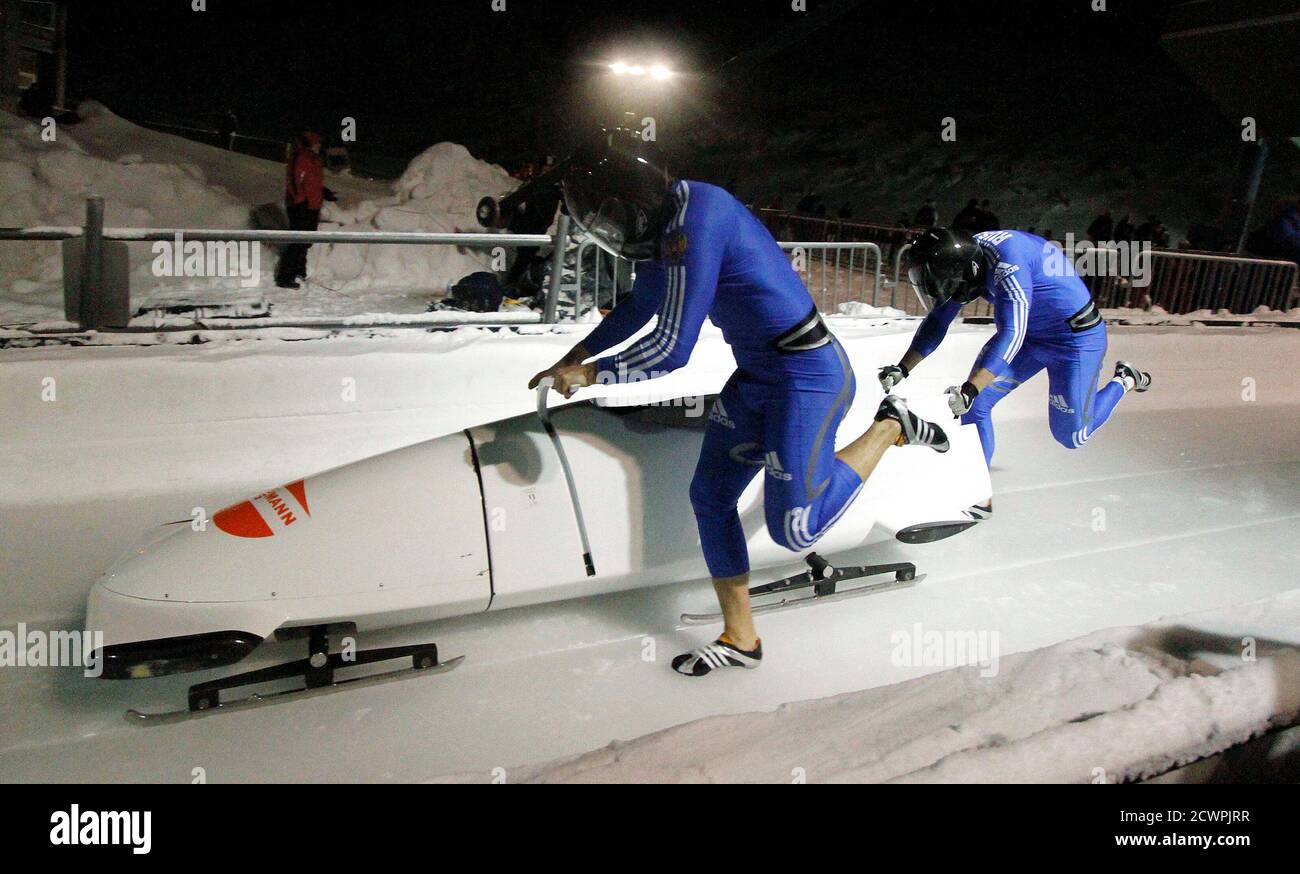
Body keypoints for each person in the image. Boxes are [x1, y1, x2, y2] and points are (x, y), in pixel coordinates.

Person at [528, 131, 951, 677]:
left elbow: (671, 349)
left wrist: (593, 373)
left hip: (808, 376)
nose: (611, 231)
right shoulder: (665, 221)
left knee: (795, 531)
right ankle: (741, 637)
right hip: (757, 373)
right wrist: (576, 355)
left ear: (634, 197)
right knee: (710, 497)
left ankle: (891, 427)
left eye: (610, 216)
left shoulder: (697, 218)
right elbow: (642, 305)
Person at [881, 228, 1152, 519]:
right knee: (976, 407)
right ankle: (979, 495)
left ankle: (1125, 379)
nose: (947, 292)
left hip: (1074, 341)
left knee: (1073, 435)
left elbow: (1011, 333)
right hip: (1033, 335)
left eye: (949, 284)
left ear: (968, 269)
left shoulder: (1009, 264)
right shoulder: (965, 255)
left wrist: (971, 388)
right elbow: (938, 320)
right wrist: (903, 367)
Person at [276, 131, 336, 289]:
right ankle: (285, 277)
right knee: (298, 241)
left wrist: (324, 192)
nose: (319, 146)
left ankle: (298, 271)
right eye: (317, 144)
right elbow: (296, 182)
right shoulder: (301, 157)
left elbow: (312, 182)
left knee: (305, 241)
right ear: (310, 144)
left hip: (312, 206)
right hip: (301, 207)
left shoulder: (313, 159)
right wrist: (300, 203)